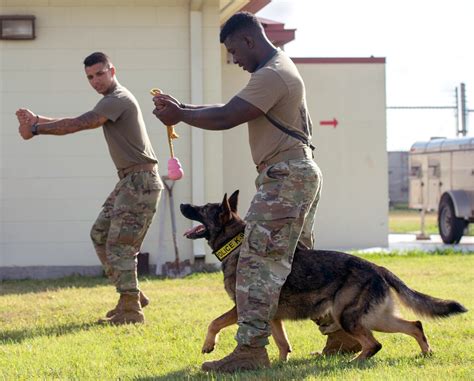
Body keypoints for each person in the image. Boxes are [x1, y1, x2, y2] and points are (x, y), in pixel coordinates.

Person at [153, 12, 358, 373]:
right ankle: (341, 335)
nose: (234, 60)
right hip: (297, 173)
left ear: (249, 40)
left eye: (234, 51)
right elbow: (225, 109)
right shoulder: (277, 68)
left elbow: (227, 115)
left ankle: (250, 349)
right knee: (297, 266)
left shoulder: (271, 74)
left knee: (255, 262)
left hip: (285, 178)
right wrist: (180, 110)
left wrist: (181, 116)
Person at [17, 52, 163, 325]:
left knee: (120, 245)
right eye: (89, 77)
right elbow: (78, 119)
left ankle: (130, 310)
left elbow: (80, 123)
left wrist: (36, 129)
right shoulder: (109, 102)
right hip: (129, 182)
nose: (95, 81)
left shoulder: (118, 99)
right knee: (100, 234)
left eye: (99, 74)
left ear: (112, 70)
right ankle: (131, 294)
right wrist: (39, 119)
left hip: (141, 182)